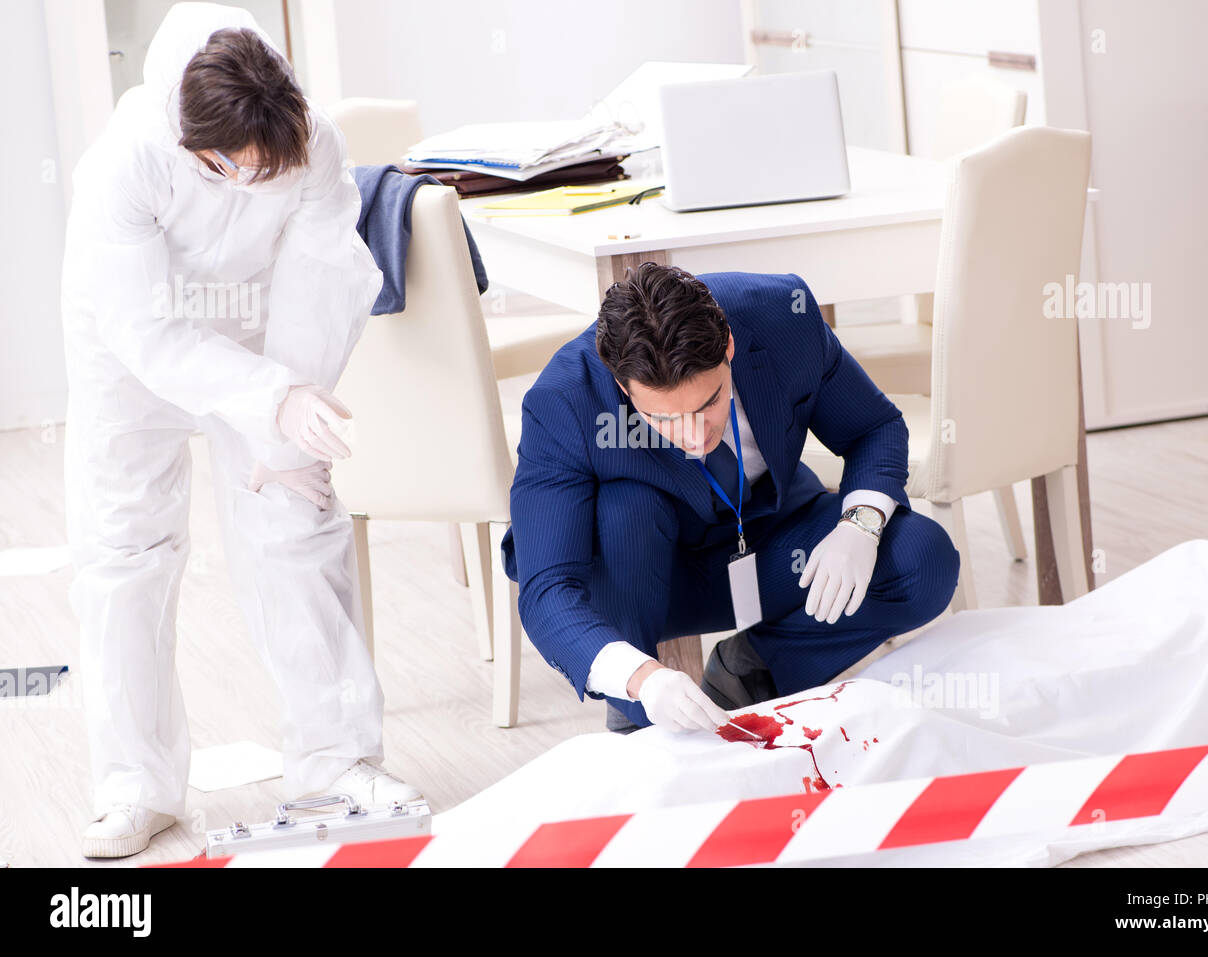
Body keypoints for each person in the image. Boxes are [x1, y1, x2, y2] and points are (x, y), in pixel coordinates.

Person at [62, 3, 418, 859]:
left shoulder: (313, 140)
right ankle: (135, 784)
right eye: (236, 172)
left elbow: (322, 275)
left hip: (260, 329)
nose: (255, 186)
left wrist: (288, 413)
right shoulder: (127, 162)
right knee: (127, 552)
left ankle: (336, 760)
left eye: (272, 170)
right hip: (127, 346)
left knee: (296, 523)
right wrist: (265, 395)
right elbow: (147, 333)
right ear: (195, 148)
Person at [501, 263, 961, 733]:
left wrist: (859, 525)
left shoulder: (783, 316)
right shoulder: (563, 399)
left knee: (921, 559)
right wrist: (640, 678)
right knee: (626, 509)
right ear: (624, 386)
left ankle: (753, 669)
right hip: (640, 581)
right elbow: (546, 588)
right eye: (664, 419)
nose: (694, 437)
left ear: (729, 348)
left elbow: (873, 427)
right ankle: (640, 724)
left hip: (772, 545)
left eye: (708, 404)